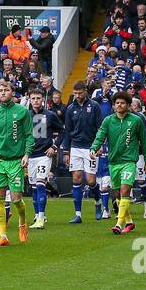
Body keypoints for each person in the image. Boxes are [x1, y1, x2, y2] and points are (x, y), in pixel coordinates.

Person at [91, 90, 146, 235]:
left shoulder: (136, 120)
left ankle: (118, 224)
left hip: (129, 161)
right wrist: (94, 148)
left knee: (125, 190)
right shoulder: (108, 120)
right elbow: (100, 136)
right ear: (113, 105)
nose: (119, 105)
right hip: (113, 161)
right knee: (117, 194)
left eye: (122, 103)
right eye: (117, 103)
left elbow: (144, 140)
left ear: (128, 105)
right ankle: (129, 222)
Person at [0, 79, 34, 246]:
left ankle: (22, 221)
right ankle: (3, 236)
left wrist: (27, 154)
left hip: (15, 161)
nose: (3, 92)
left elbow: (29, 135)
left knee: (16, 200)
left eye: (6, 90)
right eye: (1, 90)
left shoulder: (22, 112)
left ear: (12, 92)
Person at [60, 80, 103, 223]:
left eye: (80, 93)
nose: (77, 95)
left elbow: (100, 127)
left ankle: (98, 203)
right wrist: (66, 151)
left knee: (91, 181)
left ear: (85, 91)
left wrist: (100, 144)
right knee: (76, 178)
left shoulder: (95, 106)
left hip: (91, 147)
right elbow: (67, 131)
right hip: (76, 147)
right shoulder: (70, 108)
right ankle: (78, 214)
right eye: (75, 93)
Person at [26, 88, 62, 229]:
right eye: (33, 98)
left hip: (44, 156)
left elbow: (63, 131)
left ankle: (41, 217)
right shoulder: (26, 115)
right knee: (34, 187)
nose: (36, 101)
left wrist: (54, 147)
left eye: (38, 98)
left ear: (43, 100)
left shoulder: (50, 115)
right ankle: (37, 216)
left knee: (40, 184)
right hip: (31, 157)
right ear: (29, 99)